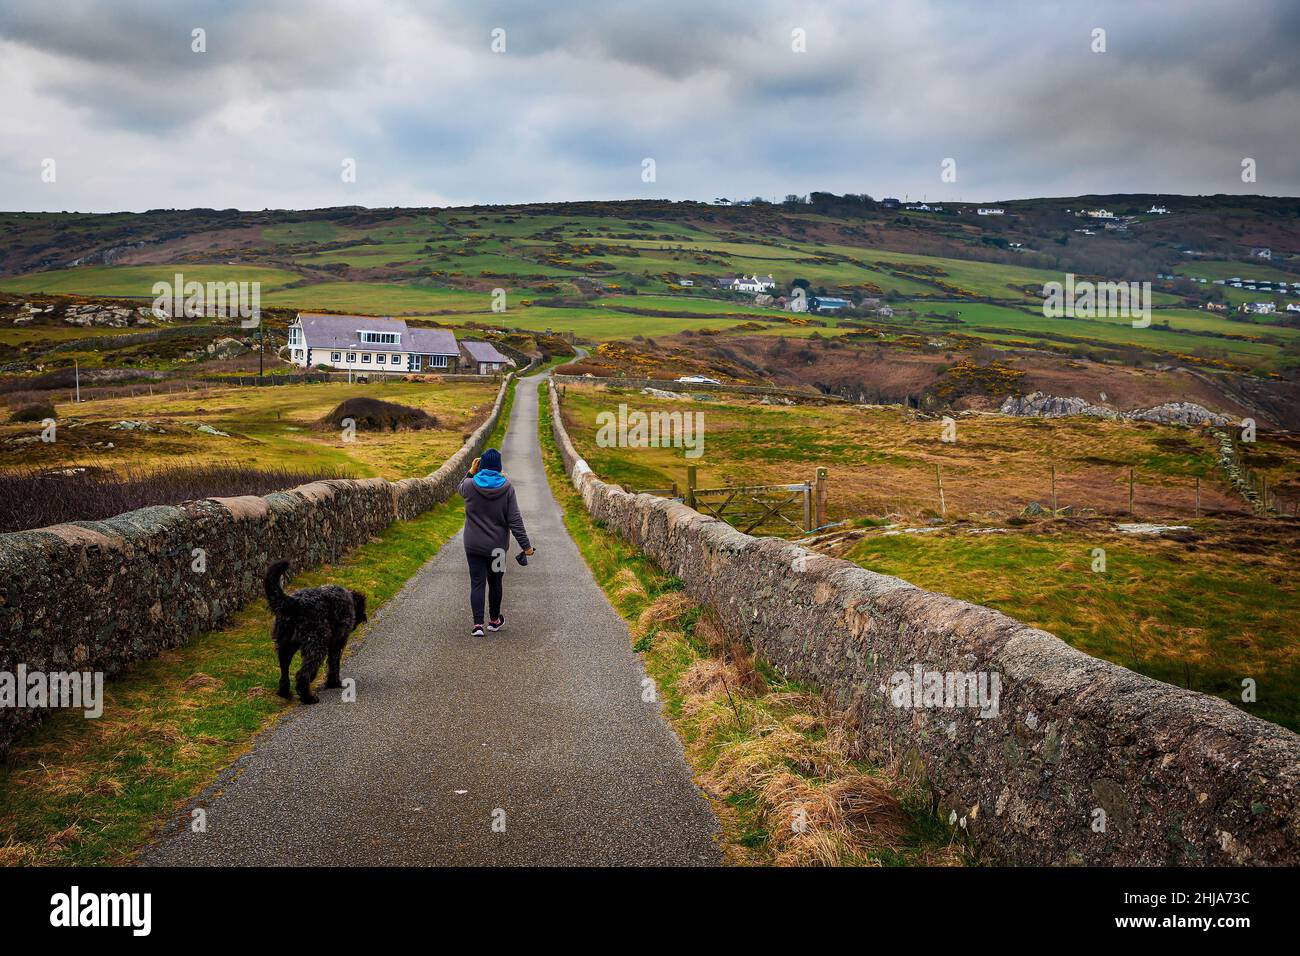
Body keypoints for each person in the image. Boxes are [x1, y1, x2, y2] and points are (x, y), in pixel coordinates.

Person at [458, 447, 533, 636]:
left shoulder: (469, 485)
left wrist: (471, 472)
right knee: (496, 582)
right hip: (497, 549)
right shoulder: (507, 488)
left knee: (477, 583)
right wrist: (526, 546)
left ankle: (477, 626)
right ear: (499, 468)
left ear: (481, 465)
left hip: (473, 546)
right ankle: (494, 620)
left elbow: (460, 487)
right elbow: (515, 520)